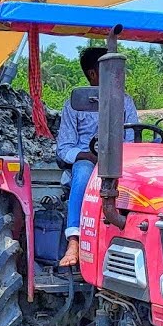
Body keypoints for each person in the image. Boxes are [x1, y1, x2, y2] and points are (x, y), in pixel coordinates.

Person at [56, 46, 139, 267]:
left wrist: (117, 156)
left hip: (122, 159)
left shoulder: (125, 101)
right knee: (83, 170)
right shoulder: (74, 104)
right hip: (87, 161)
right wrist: (90, 156)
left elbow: (131, 137)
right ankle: (74, 240)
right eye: (111, 72)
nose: (118, 77)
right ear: (94, 74)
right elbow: (64, 148)